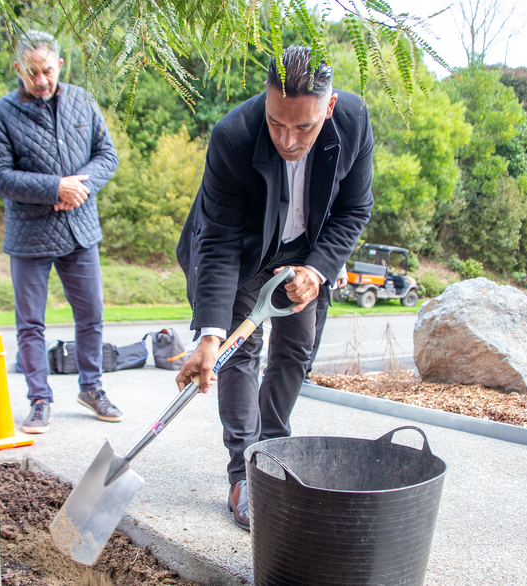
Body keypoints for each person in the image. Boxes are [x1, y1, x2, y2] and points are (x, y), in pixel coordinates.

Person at [175, 46, 374, 531]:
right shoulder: (232, 136)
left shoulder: (352, 121)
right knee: (239, 354)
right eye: (276, 123)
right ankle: (245, 472)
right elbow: (219, 243)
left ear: (327, 109)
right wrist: (209, 336)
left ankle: (276, 452)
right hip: (241, 254)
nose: (287, 139)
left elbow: (354, 209)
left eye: (303, 127)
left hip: (304, 254)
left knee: (295, 352)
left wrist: (318, 268)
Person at [0, 30, 123, 434]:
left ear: (59, 65)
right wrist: (54, 188)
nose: (42, 79)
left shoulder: (83, 99)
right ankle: (39, 400)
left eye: (47, 70)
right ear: (18, 69)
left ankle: (92, 388)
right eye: (32, 73)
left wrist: (78, 185)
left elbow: (107, 154)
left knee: (92, 316)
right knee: (30, 323)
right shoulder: (0, 111)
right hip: (29, 235)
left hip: (80, 229)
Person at [304, 264, 349, 384]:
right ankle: (277, 368)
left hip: (325, 277)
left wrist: (340, 272)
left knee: (316, 330)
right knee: (289, 327)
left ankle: (304, 371)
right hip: (301, 272)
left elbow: (337, 246)